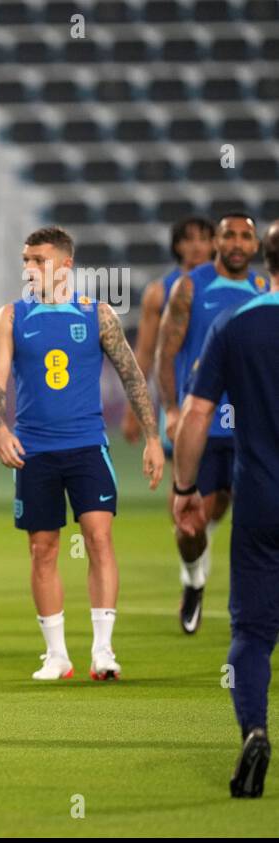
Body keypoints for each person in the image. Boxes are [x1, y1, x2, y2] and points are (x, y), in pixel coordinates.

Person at [0, 227, 164, 681]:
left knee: (99, 539)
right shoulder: (10, 316)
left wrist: (153, 438)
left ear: (65, 265)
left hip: (87, 447)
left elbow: (132, 376)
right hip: (35, 451)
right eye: (26, 259)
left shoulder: (97, 313)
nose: (29, 268)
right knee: (42, 550)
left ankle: (103, 651)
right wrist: (0, 427)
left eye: (39, 260)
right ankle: (57, 656)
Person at [172, 219, 279, 797]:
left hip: (262, 498)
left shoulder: (235, 323)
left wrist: (186, 489)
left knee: (253, 632)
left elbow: (194, 415)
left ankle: (255, 731)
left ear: (266, 257)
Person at [155, 214, 266, 632]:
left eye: (245, 236)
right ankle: (194, 579)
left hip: (250, 427)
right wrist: (170, 410)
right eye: (229, 235)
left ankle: (253, 610)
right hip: (200, 425)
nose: (237, 243)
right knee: (187, 523)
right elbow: (166, 353)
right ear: (216, 242)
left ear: (255, 246)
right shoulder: (191, 288)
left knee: (254, 519)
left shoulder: (264, 291)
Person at [119, 215, 213, 445]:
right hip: (178, 398)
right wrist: (134, 410)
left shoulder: (232, 288)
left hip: (225, 398)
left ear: (214, 244)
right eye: (189, 239)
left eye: (204, 239)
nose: (197, 246)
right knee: (182, 478)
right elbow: (145, 352)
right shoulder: (160, 292)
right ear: (177, 245)